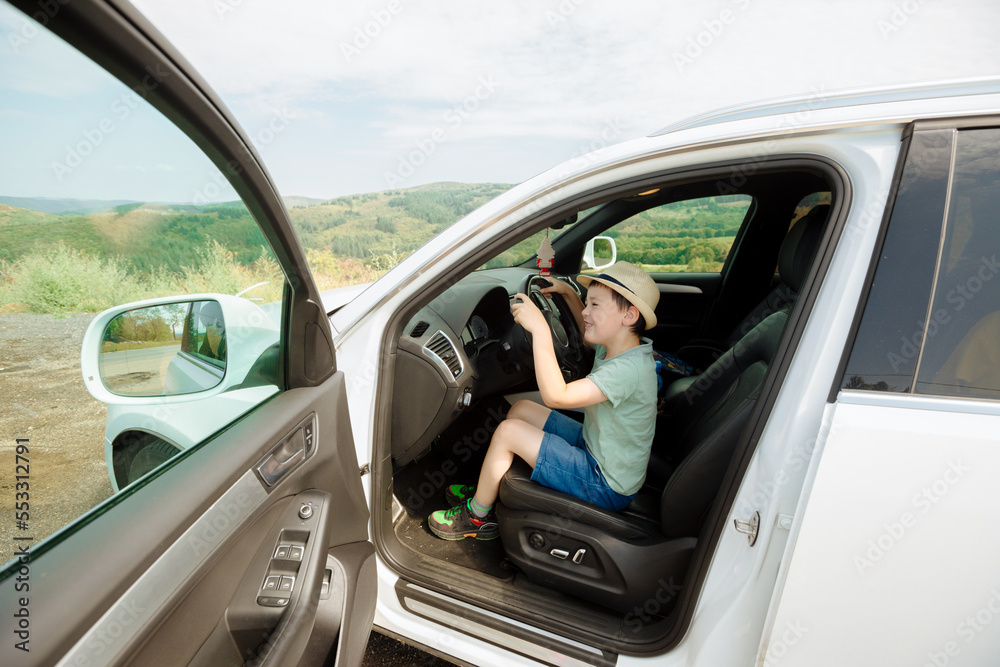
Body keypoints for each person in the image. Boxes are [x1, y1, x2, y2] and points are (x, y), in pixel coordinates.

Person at [428, 261, 660, 540]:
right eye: (586, 304)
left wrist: (540, 330)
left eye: (595, 306)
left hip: (605, 482)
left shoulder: (627, 371)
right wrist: (567, 293)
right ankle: (487, 487)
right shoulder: (621, 346)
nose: (586, 312)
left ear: (629, 315)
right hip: (598, 446)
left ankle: (478, 517)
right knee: (521, 409)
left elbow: (557, 396)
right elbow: (585, 332)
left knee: (508, 432)